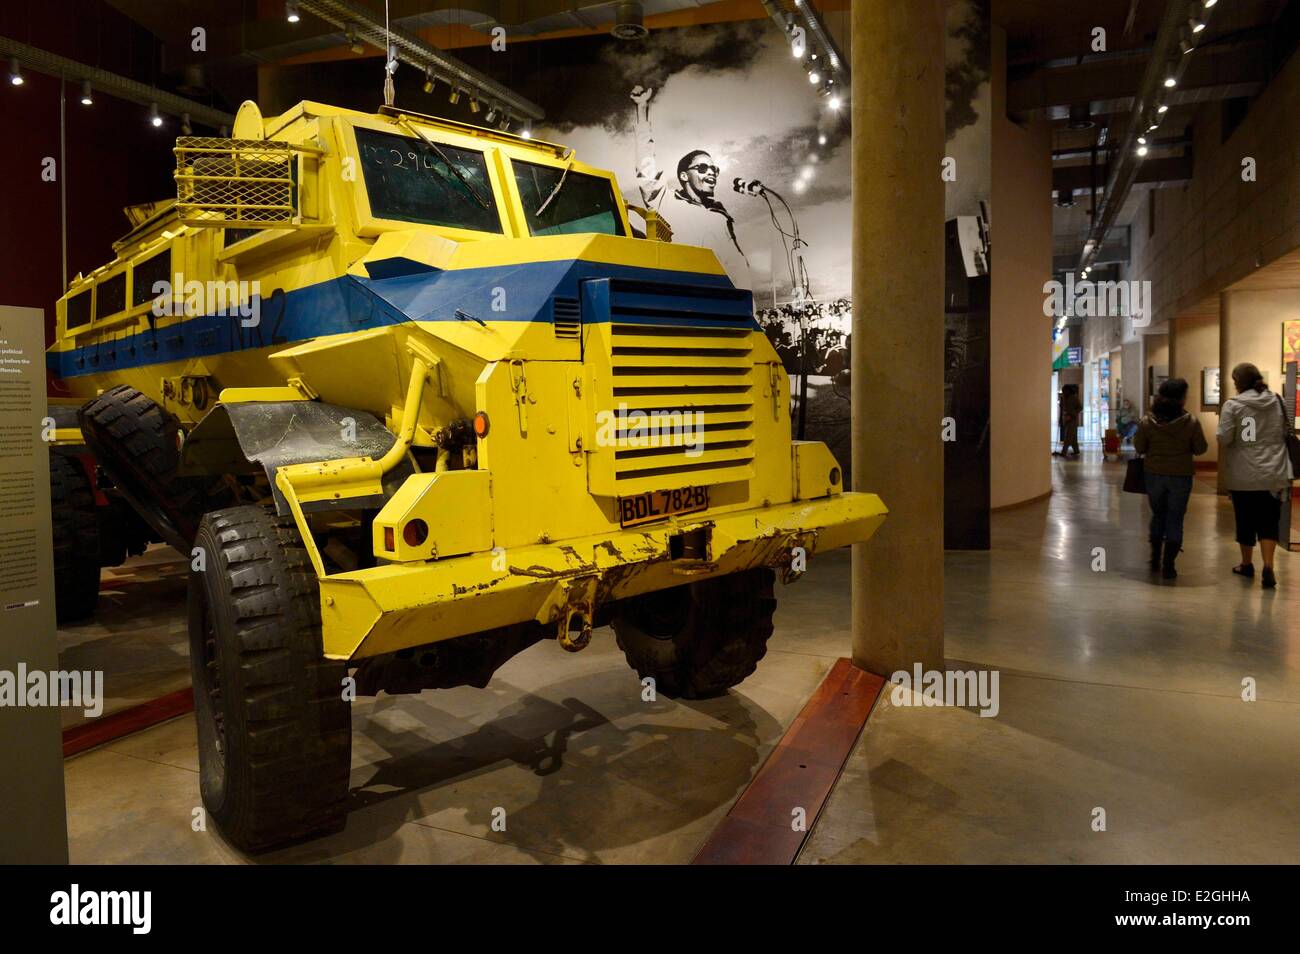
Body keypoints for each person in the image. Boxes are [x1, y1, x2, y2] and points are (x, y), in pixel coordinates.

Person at [630, 86, 752, 290]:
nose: (711, 172)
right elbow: (646, 169)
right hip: (688, 301)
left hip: (726, 309)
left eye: (714, 169)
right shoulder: (667, 202)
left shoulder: (720, 216)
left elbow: (738, 270)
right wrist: (642, 111)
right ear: (684, 176)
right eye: (703, 168)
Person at [1217, 362, 1294, 588]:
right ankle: (1268, 565)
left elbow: (1224, 437)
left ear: (1238, 383)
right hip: (1273, 470)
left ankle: (1246, 563)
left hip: (1244, 472)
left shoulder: (1233, 405)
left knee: (1245, 519)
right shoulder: (1277, 400)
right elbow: (1282, 431)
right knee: (1270, 521)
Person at [1133, 378, 1208, 579]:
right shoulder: (1191, 422)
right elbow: (1201, 448)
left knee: (1158, 515)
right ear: (1182, 398)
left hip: (1154, 474)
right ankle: (1169, 565)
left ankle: (1155, 557)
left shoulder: (1147, 421)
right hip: (1181, 475)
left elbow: (1139, 447)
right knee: (1175, 518)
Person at [1057, 384, 1083, 457]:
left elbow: (1080, 407)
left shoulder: (1074, 398)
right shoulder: (1064, 398)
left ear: (1068, 390)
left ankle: (1064, 452)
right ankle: (1076, 450)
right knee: (1073, 436)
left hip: (1073, 419)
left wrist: (1072, 414)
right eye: (1063, 391)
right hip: (1066, 418)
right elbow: (1062, 409)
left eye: (1065, 390)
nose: (1063, 392)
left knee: (1068, 436)